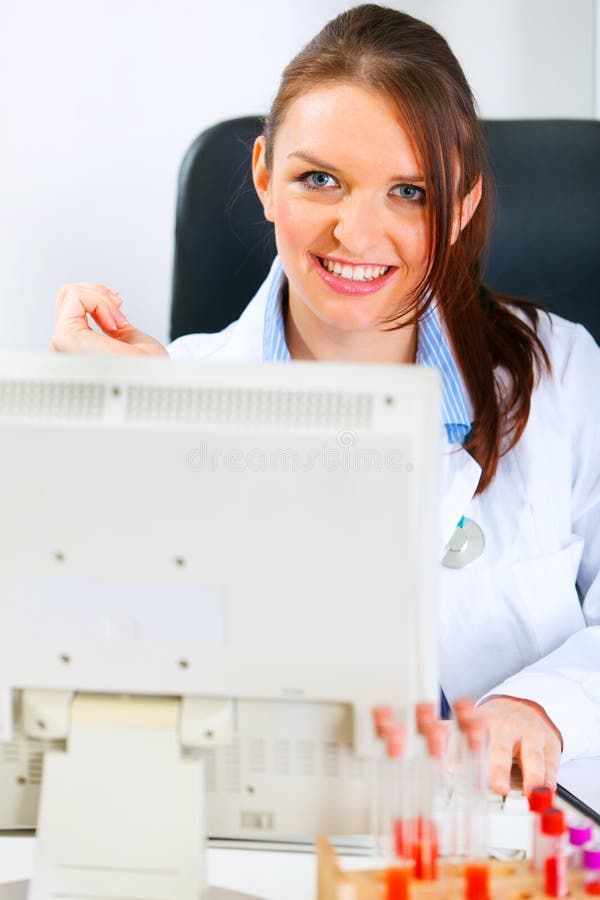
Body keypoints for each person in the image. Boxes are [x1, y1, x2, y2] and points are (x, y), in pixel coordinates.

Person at [51, 4, 600, 798]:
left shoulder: (562, 375)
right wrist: (116, 430)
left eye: (410, 191)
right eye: (319, 179)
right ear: (264, 175)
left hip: (510, 836)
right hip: (267, 837)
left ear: (466, 205)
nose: (356, 233)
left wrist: (542, 707)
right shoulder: (178, 390)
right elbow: (101, 666)